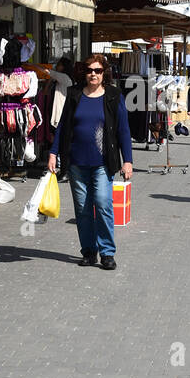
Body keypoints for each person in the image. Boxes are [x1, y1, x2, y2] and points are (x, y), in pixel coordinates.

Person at [49, 53, 133, 270]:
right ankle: (88, 251)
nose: (93, 74)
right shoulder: (75, 93)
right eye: (89, 70)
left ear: (104, 73)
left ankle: (107, 252)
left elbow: (123, 130)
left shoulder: (114, 95)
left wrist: (128, 161)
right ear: (84, 73)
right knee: (83, 209)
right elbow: (63, 126)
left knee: (104, 204)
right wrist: (53, 152)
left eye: (97, 70)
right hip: (76, 161)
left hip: (103, 162)